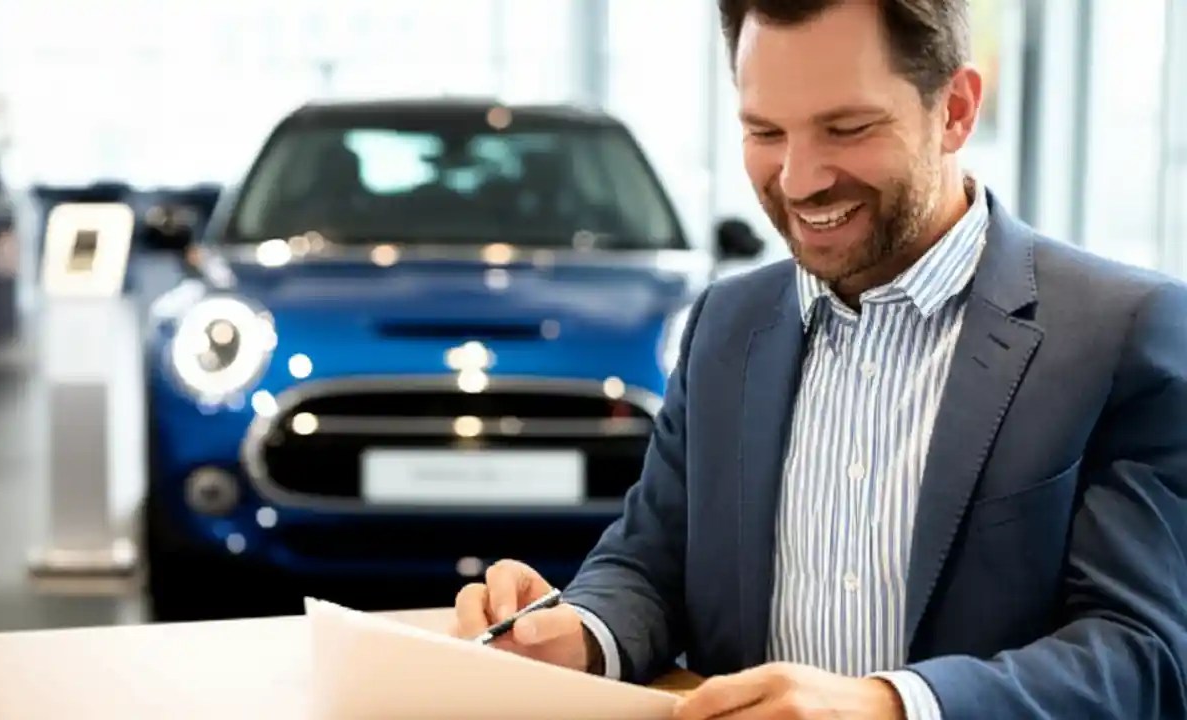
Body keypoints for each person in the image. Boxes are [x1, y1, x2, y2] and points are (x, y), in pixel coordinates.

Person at [452, 1, 1187, 718]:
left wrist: (890, 706)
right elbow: (652, 564)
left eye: (847, 128)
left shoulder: (1121, 332)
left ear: (956, 110)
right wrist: (579, 634)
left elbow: (1144, 656)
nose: (799, 179)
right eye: (765, 131)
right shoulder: (724, 326)